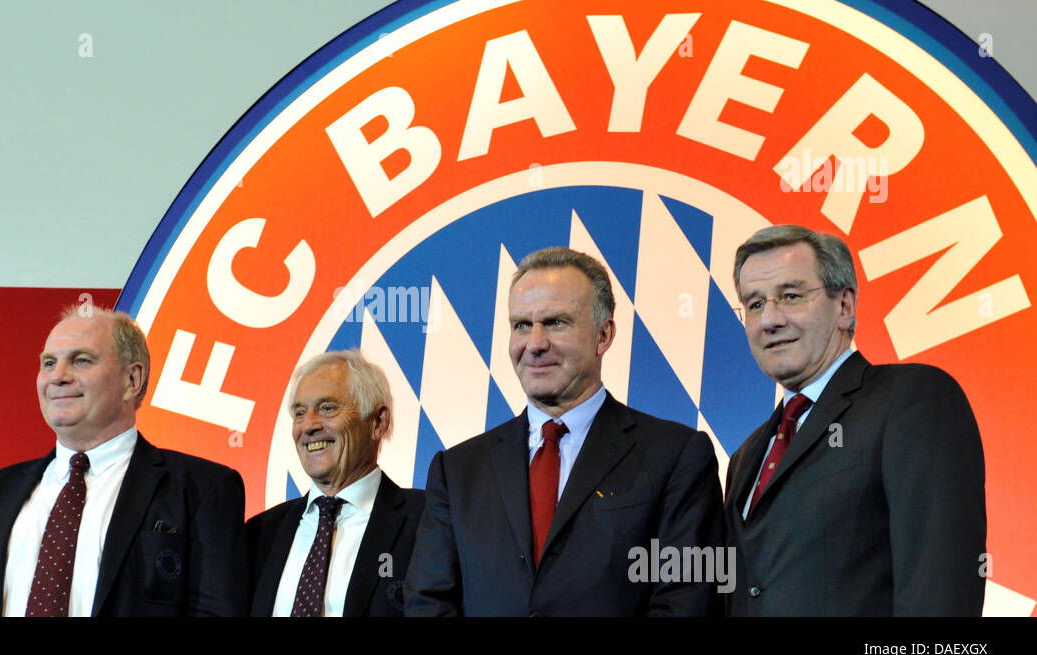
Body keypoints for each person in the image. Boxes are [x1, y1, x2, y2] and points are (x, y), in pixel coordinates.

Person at [405, 247, 725, 616]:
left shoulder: (677, 455)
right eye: (521, 325)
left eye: (556, 322)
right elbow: (427, 603)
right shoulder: (456, 470)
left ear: (603, 336)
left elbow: (687, 602)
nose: (535, 343)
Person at [725, 225, 985, 616]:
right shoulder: (746, 457)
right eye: (755, 304)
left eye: (791, 296)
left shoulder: (912, 399)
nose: (769, 320)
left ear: (845, 306)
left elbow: (939, 589)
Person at [0, 306, 246, 616]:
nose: (58, 376)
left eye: (81, 360)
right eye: (48, 363)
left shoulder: (203, 489)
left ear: (132, 379)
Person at [246, 351, 424, 617]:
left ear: (378, 422)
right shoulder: (259, 534)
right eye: (299, 413)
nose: (308, 426)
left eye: (327, 408)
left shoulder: (429, 520)